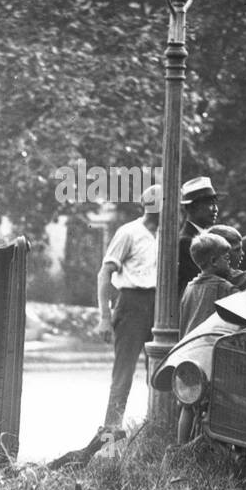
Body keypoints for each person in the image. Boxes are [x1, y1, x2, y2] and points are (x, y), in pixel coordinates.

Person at [96, 184, 160, 435]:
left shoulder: (167, 235)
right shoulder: (129, 232)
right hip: (130, 304)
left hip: (159, 306)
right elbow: (105, 272)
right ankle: (110, 436)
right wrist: (104, 316)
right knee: (123, 375)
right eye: (152, 203)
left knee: (158, 373)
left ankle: (153, 433)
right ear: (144, 205)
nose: (158, 209)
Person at [180, 232, 238, 336]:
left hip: (189, 346)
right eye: (226, 259)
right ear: (214, 261)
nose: (229, 264)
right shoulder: (224, 287)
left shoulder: (189, 287)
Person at [177, 176, 221, 292]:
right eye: (209, 203)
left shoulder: (207, 237)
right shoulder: (186, 242)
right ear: (192, 207)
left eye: (215, 203)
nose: (215, 209)